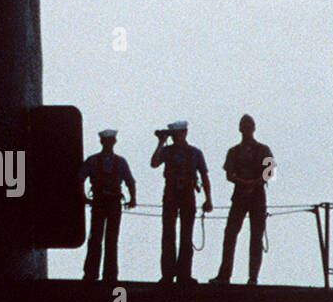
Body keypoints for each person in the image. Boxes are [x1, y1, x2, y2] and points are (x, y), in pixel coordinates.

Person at [211, 115, 275, 286]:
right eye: (243, 126)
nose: (246, 129)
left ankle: (253, 277)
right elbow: (229, 174)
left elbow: (269, 173)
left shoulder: (264, 149)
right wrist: (244, 183)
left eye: (248, 126)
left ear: (253, 128)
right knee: (230, 234)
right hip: (239, 196)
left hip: (257, 197)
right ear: (240, 129)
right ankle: (224, 275)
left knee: (256, 237)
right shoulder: (233, 152)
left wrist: (253, 184)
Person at [151, 120, 212, 285]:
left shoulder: (195, 153)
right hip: (171, 194)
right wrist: (161, 142)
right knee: (168, 235)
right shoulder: (167, 151)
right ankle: (168, 274)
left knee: (186, 235)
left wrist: (208, 199)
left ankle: (184, 274)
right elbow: (154, 163)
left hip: (187, 194)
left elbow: (204, 176)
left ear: (184, 133)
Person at [80, 129, 137, 282]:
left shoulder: (99, 161)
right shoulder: (97, 161)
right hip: (102, 202)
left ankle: (101, 274)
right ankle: (101, 274)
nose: (109, 144)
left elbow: (130, 182)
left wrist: (133, 198)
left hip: (110, 202)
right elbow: (130, 182)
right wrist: (132, 199)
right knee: (99, 239)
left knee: (107, 239)